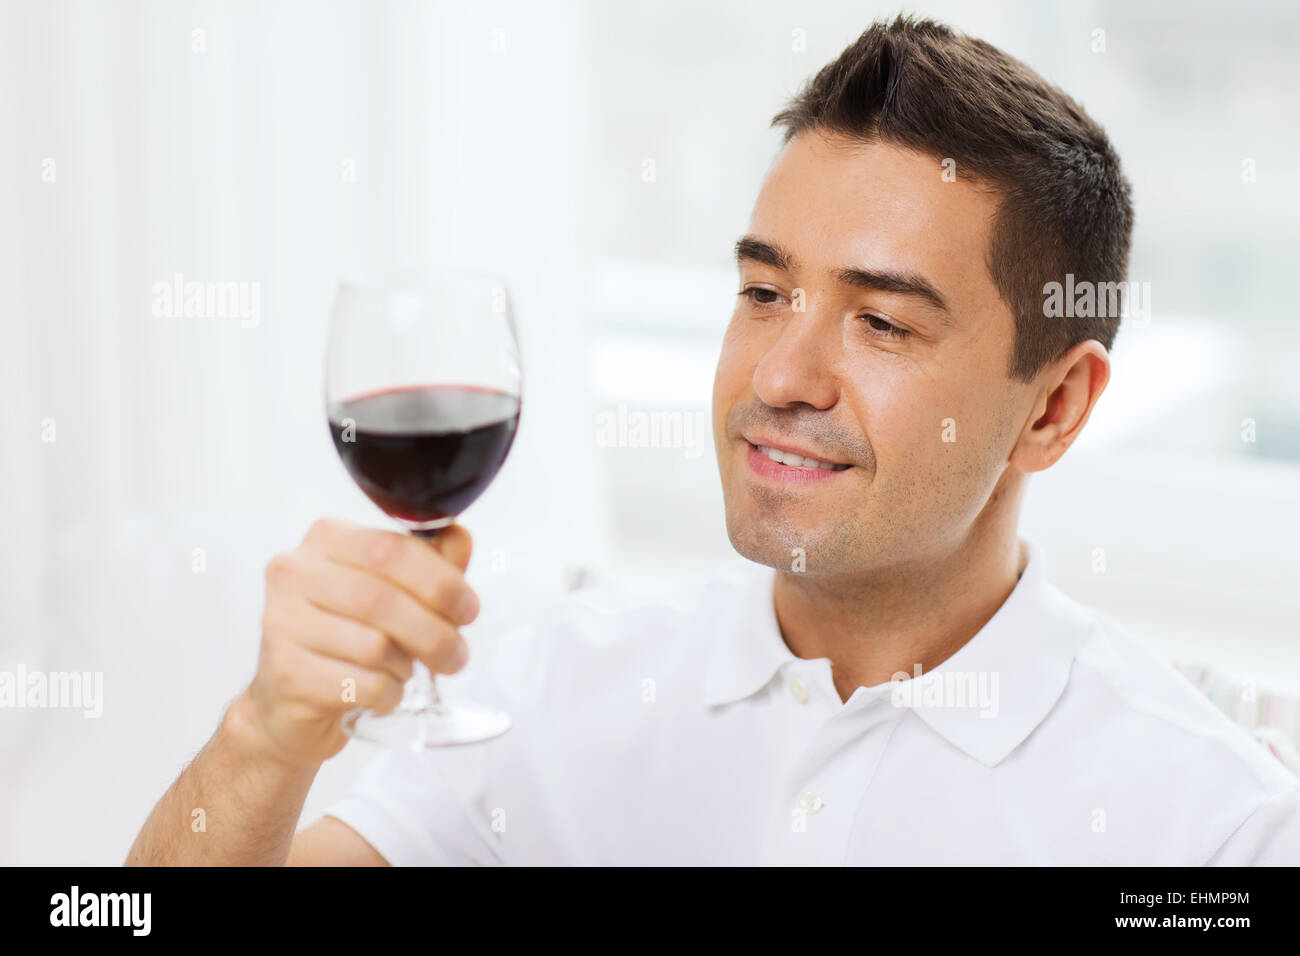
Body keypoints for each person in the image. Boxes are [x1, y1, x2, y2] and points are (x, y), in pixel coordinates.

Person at [126, 15, 1300, 866]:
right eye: (763, 292)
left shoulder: (1210, 826)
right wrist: (266, 734)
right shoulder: (550, 692)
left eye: (882, 321)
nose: (780, 377)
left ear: (1051, 409)